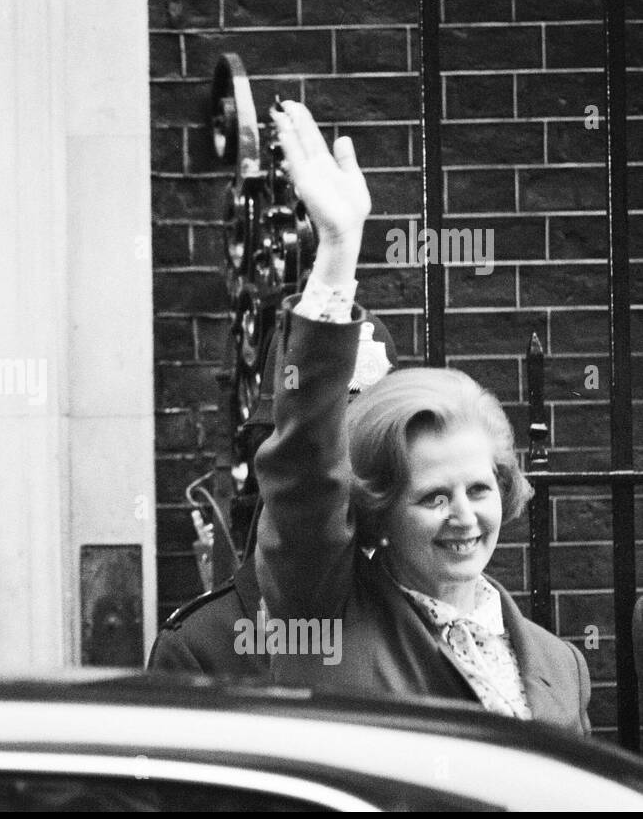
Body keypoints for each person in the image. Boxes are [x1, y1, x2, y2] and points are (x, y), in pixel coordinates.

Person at [249, 100, 590, 734]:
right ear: (379, 505)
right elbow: (303, 481)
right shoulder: (325, 619)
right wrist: (338, 251)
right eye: (433, 497)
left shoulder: (561, 664)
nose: (465, 516)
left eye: (479, 489)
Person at [147, 310, 397, 678]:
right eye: (318, 445)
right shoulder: (201, 649)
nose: (338, 469)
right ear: (273, 456)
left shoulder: (423, 626)